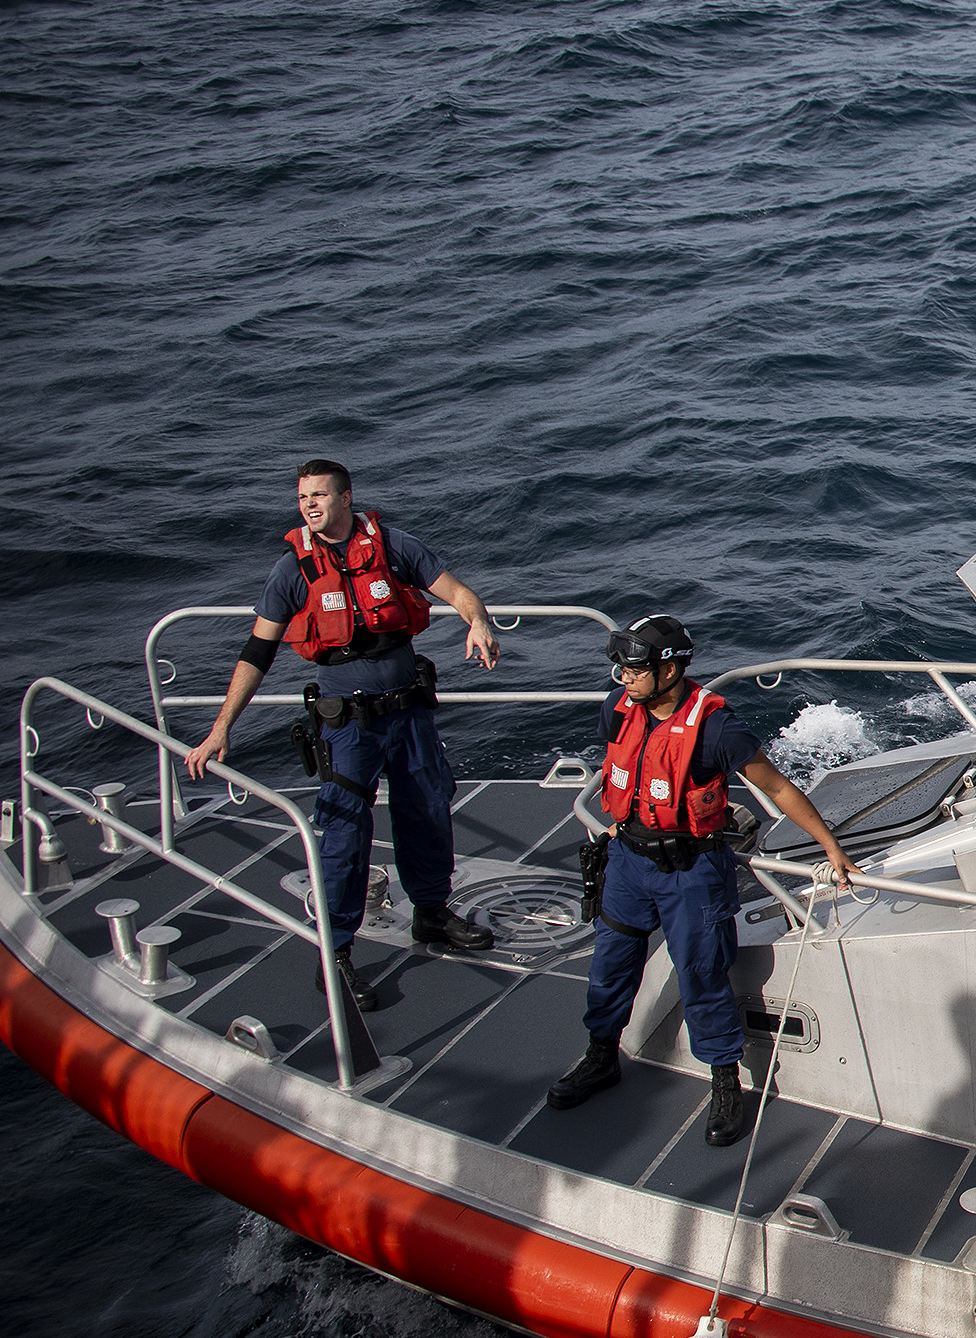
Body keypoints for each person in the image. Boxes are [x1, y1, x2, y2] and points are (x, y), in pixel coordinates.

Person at [186, 460, 502, 1012]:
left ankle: (430, 912)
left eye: (320, 495)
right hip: (347, 727)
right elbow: (256, 652)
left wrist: (477, 622)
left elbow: (458, 592)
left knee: (427, 810)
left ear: (347, 497)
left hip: (409, 716)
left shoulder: (394, 545)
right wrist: (220, 729)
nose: (309, 505)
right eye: (302, 496)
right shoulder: (292, 572)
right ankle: (335, 952)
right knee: (342, 834)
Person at [547, 615, 861, 1148]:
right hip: (626, 860)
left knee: (702, 975)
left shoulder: (716, 729)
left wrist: (831, 847)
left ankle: (724, 1081)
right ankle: (601, 1056)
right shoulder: (617, 709)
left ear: (669, 669)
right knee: (610, 964)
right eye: (620, 666)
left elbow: (777, 788)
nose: (623, 677)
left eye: (635, 668)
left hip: (691, 871)